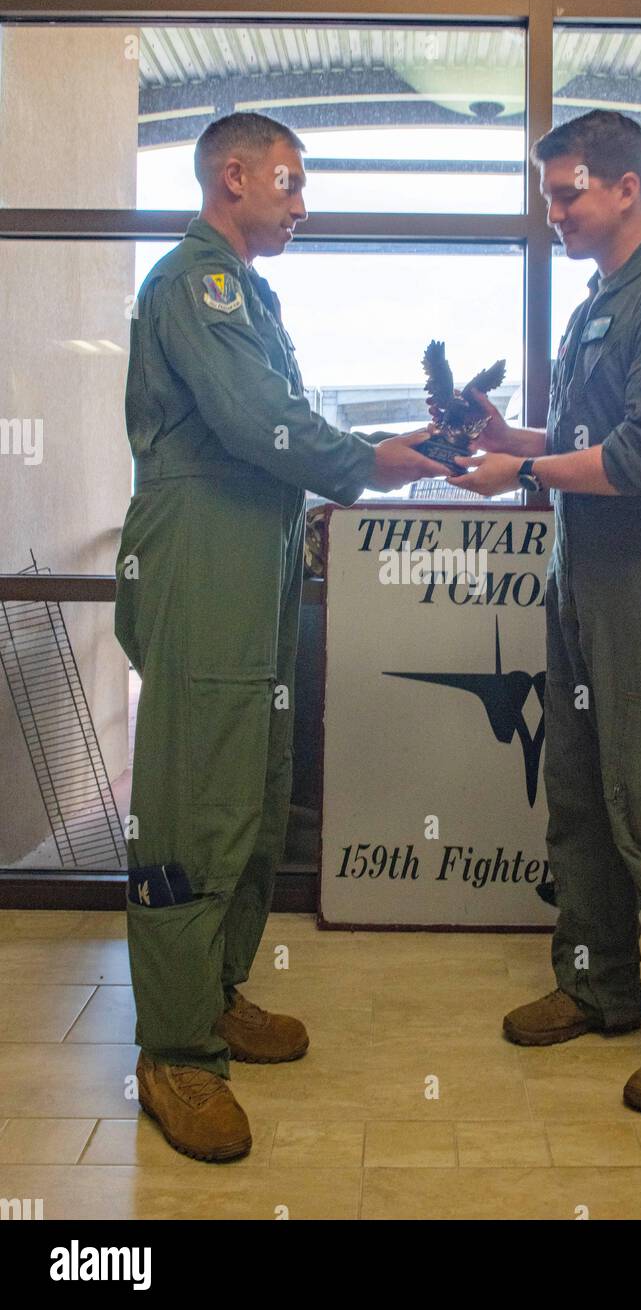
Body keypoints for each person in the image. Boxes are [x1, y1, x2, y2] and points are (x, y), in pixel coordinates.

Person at [115, 112, 449, 1161]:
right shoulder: (195, 284)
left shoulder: (246, 291)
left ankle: (213, 993)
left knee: (254, 784)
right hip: (202, 548)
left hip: (252, 546)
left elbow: (275, 424)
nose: (302, 205)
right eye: (289, 183)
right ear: (233, 176)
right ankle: (174, 1051)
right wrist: (371, 461)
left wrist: (370, 457)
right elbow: (254, 416)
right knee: (196, 797)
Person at [448, 109, 641, 1115]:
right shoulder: (600, 305)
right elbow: (589, 437)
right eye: (547, 197)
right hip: (581, 579)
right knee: (578, 794)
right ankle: (598, 983)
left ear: (626, 186)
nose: (555, 213)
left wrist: (524, 472)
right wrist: (513, 438)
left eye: (567, 193)